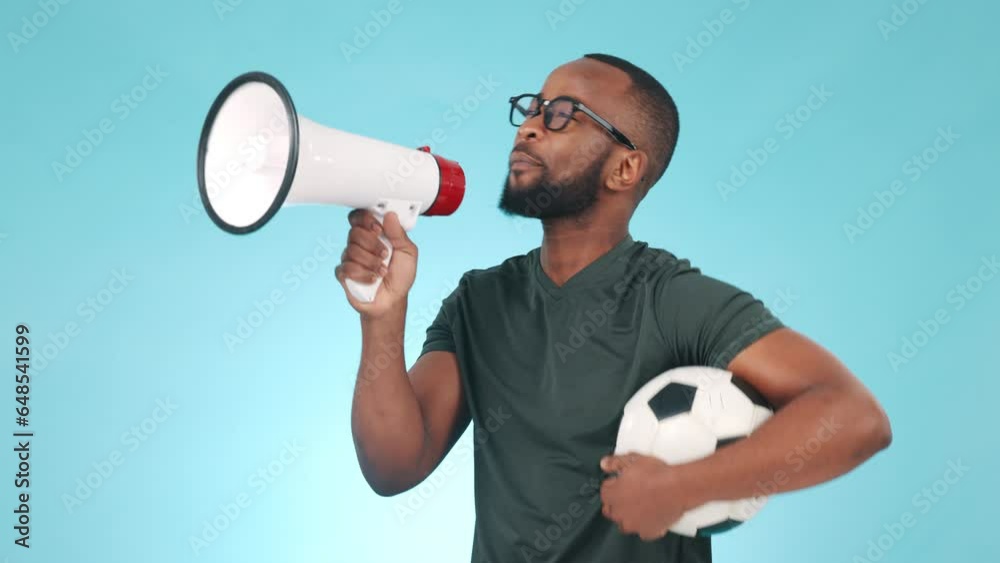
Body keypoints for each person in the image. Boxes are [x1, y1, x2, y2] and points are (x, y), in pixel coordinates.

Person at [336, 53, 892, 563]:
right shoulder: (478, 301)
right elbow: (393, 466)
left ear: (624, 169)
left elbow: (855, 417)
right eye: (532, 108)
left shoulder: (672, 300)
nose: (529, 126)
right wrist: (381, 317)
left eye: (562, 114)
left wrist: (683, 487)